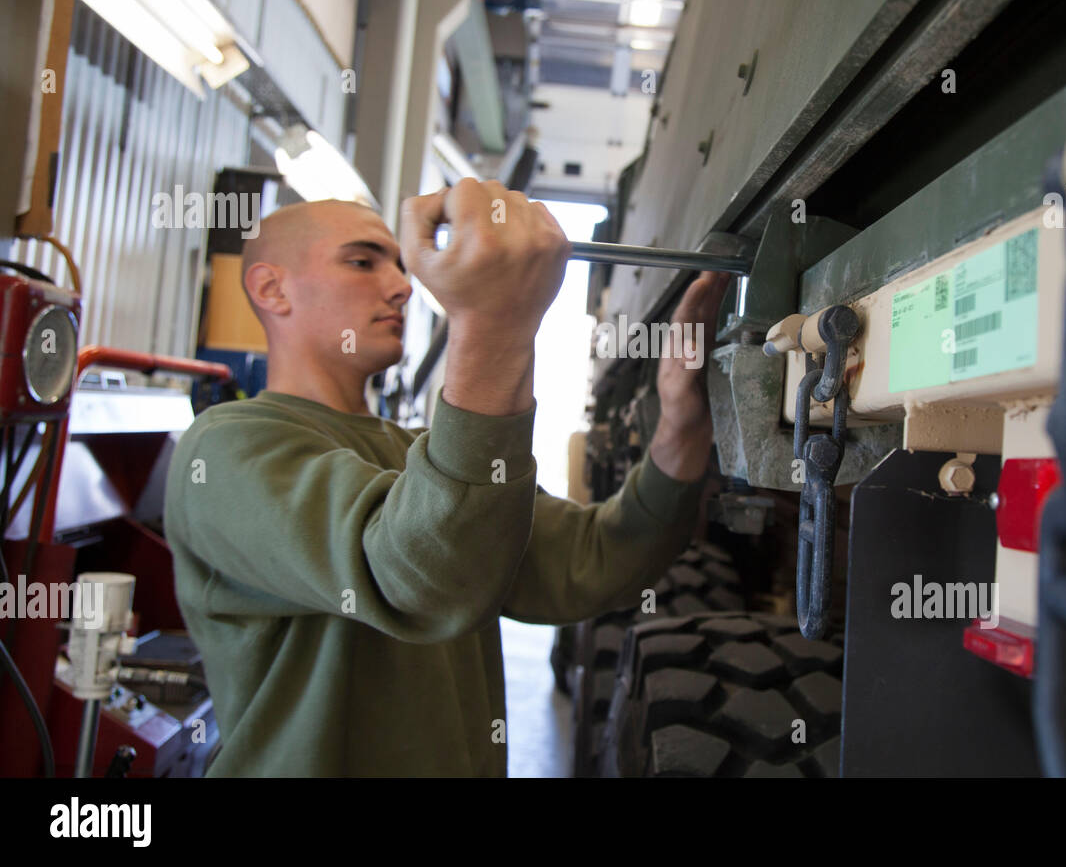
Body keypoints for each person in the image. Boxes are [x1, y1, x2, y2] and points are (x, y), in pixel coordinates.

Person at [163, 178, 728, 775]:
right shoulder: (223, 449)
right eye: (361, 262)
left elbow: (595, 559)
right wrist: (492, 327)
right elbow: (418, 575)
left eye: (397, 263)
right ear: (271, 288)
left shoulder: (416, 453)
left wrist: (682, 427)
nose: (402, 285)